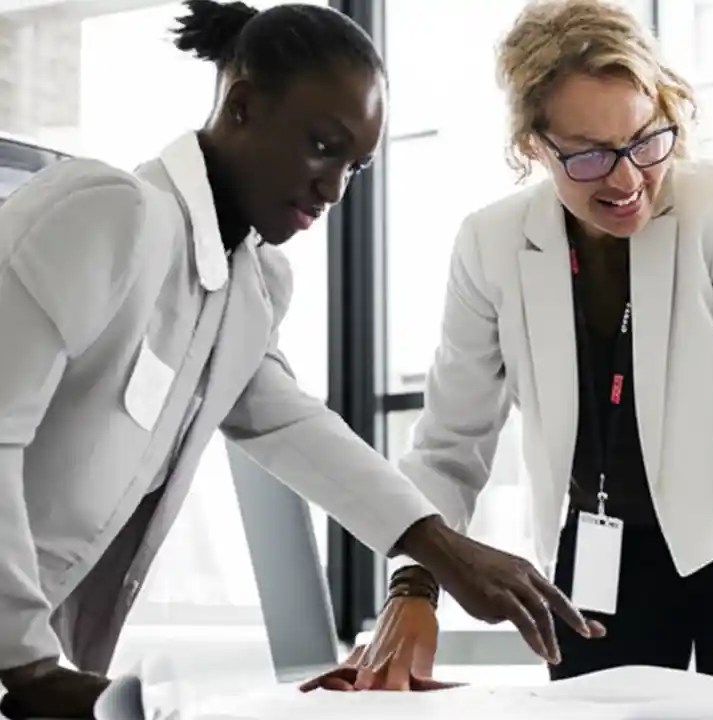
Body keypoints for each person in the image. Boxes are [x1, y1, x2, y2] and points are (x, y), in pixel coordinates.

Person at [0, 2, 601, 716]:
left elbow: (292, 427)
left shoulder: (247, 288)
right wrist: (30, 667)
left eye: (356, 167)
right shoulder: (105, 212)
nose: (335, 188)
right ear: (242, 107)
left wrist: (442, 550)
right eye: (322, 146)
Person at [383, 0, 713, 684]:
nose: (627, 179)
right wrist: (413, 585)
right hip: (598, 555)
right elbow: (450, 444)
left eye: (644, 140)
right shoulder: (491, 244)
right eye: (591, 155)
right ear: (534, 146)